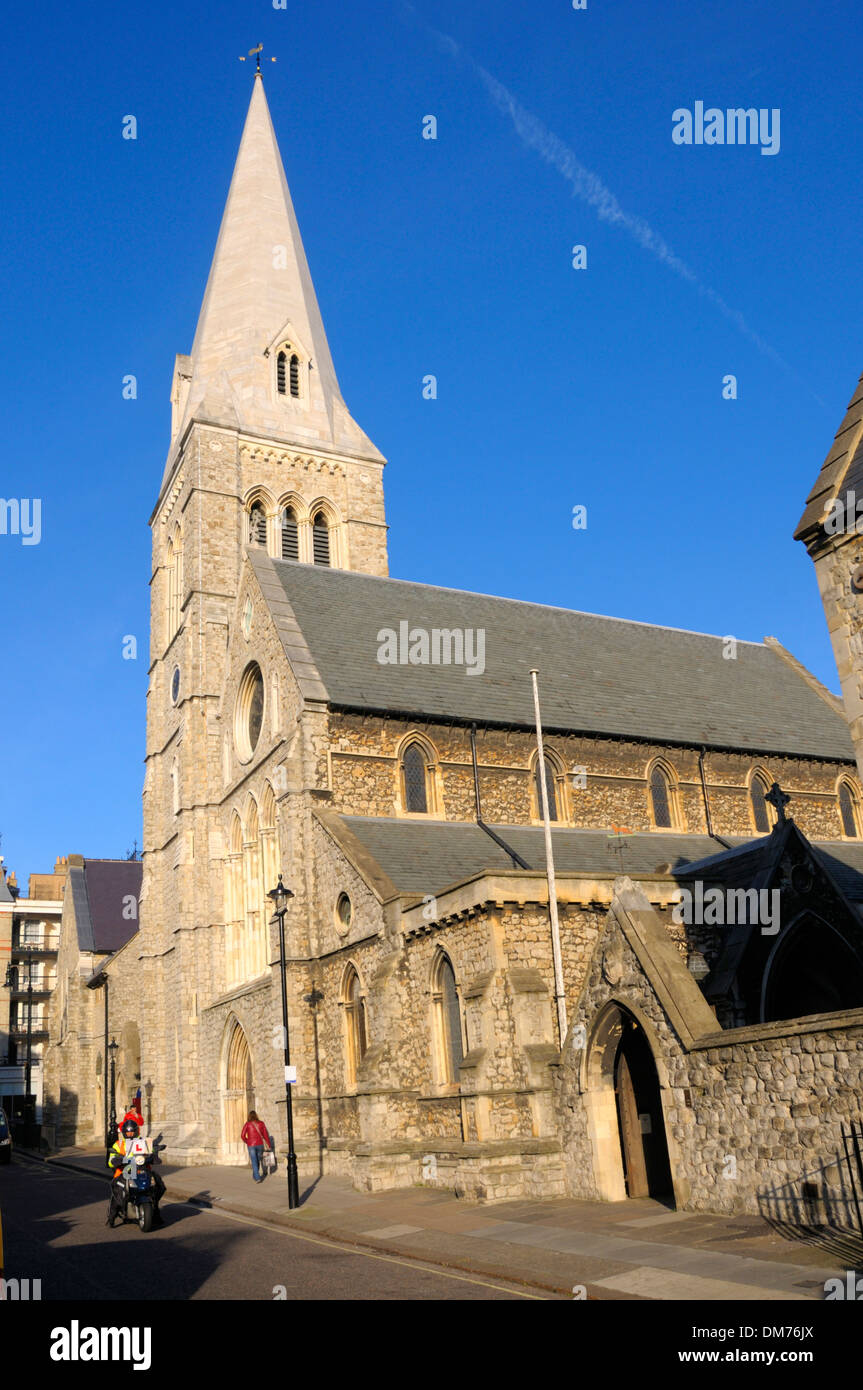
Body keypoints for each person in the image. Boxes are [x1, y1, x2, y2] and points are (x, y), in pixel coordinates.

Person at [106, 1118, 165, 1226]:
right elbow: (111, 1161)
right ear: (124, 1132)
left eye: (132, 1131)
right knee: (117, 1191)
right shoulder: (118, 1144)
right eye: (128, 1132)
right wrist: (116, 1160)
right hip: (125, 1171)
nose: (130, 1134)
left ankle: (155, 1212)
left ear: (136, 1131)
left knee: (158, 1185)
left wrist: (154, 1155)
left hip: (143, 1170)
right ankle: (111, 1216)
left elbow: (151, 1152)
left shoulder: (144, 1142)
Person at [240, 1110, 272, 1183]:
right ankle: (256, 1175)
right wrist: (268, 1144)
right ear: (256, 1115)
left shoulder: (247, 1124)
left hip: (251, 1145)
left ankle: (257, 1177)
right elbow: (265, 1135)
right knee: (258, 1160)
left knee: (254, 1161)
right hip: (260, 1144)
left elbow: (242, 1135)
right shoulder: (261, 1123)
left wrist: (247, 1141)